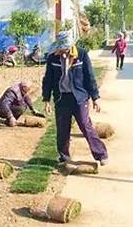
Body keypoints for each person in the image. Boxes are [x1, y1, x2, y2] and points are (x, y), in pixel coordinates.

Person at [42, 31, 109, 166]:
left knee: (85, 125)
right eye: (60, 48)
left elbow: (89, 76)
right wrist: (46, 99)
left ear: (70, 45)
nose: (62, 51)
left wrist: (95, 97)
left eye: (65, 48)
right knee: (62, 128)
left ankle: (101, 154)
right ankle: (64, 157)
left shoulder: (82, 54)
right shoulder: (52, 58)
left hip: (79, 97)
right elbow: (48, 79)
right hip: (61, 98)